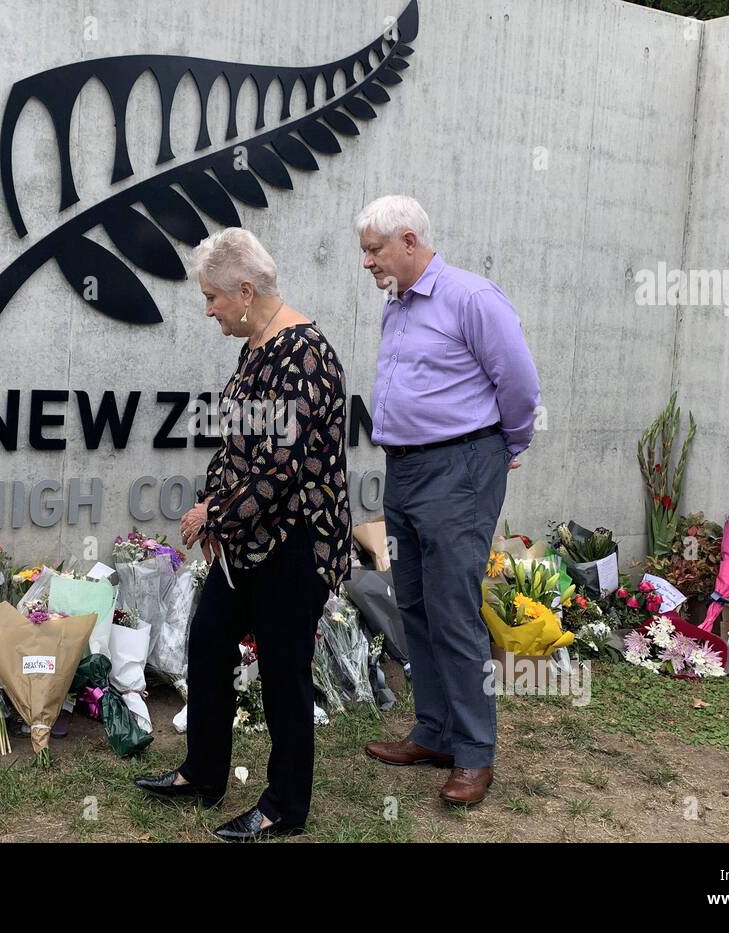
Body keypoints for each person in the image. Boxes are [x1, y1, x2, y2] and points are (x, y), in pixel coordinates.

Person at [133, 228, 352, 841]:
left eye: (212, 298)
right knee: (207, 644)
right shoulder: (257, 346)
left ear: (246, 291)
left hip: (293, 545)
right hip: (248, 542)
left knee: (284, 675)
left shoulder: (303, 354)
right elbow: (239, 447)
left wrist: (215, 516)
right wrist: (212, 499)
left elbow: (281, 471)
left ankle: (285, 807)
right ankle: (204, 774)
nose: (208, 311)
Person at [356, 195, 541, 807]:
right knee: (412, 600)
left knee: (453, 607)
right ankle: (433, 732)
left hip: (459, 468)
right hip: (404, 471)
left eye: (374, 249)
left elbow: (518, 381)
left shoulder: (471, 297)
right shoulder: (398, 306)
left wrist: (503, 447)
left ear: (409, 241)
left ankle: (473, 752)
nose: (367, 261)